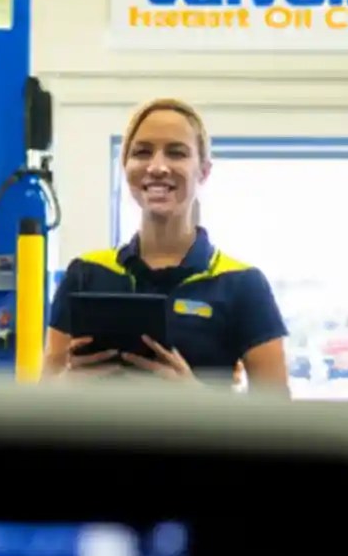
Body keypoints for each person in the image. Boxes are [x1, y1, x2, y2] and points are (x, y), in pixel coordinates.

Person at [43, 97, 291, 395]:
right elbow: (43, 396)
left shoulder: (242, 284)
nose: (157, 166)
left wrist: (195, 398)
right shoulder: (86, 273)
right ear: (126, 167)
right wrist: (67, 384)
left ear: (204, 171)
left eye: (176, 153)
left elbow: (277, 415)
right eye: (142, 152)